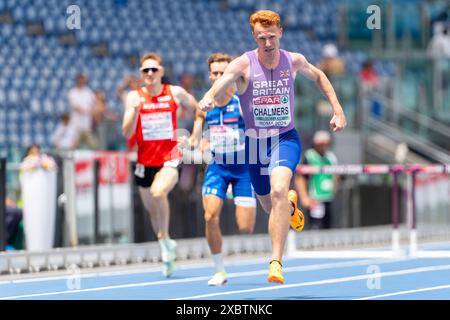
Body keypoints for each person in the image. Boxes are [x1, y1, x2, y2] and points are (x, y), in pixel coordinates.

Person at [199, 10, 347, 284]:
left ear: (280, 33)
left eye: (271, 36)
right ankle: (290, 207)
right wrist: (208, 97)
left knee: (279, 188)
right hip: (255, 145)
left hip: (285, 139)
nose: (267, 43)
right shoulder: (243, 64)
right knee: (270, 205)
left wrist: (338, 110)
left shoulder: (293, 60)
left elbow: (319, 77)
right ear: (254, 37)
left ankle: (276, 262)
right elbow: (222, 81)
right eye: (261, 37)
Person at [122, 52, 198, 277]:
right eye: (145, 70)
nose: (150, 74)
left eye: (154, 69)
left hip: (170, 156)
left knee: (158, 193)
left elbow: (200, 109)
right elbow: (126, 132)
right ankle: (166, 243)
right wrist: (134, 111)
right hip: (144, 161)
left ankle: (165, 242)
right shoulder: (134, 97)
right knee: (153, 211)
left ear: (161, 72)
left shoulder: (174, 93)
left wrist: (194, 137)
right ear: (141, 74)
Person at [190, 53, 257, 286]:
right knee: (209, 215)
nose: (219, 77)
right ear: (210, 76)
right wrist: (199, 142)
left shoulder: (241, 102)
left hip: (243, 169)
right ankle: (219, 270)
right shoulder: (205, 105)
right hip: (217, 166)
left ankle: (246, 195)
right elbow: (197, 136)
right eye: (215, 73)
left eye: (223, 73)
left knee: (245, 227)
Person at [295, 131, 338, 230]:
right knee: (315, 227)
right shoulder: (309, 156)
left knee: (328, 228)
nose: (323, 147)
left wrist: (334, 191)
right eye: (320, 144)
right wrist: (304, 197)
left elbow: (336, 177)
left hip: (328, 198)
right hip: (314, 199)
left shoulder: (331, 158)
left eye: (326, 144)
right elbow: (300, 177)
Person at [68, 73, 97, 149]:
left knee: (93, 146)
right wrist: (87, 111)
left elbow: (94, 104)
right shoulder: (72, 92)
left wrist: (92, 111)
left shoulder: (88, 92)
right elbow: (76, 107)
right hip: (76, 124)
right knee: (74, 145)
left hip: (86, 124)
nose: (82, 82)